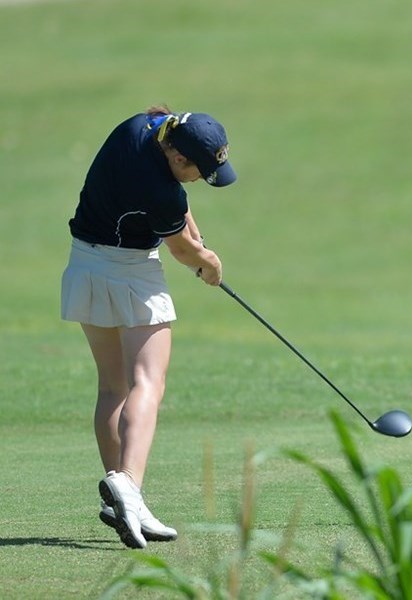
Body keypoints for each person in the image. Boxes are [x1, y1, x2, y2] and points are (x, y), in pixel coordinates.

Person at [60, 105, 236, 549]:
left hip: (84, 263)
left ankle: (122, 498)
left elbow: (180, 212)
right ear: (178, 160)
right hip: (131, 272)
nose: (199, 178)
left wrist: (196, 237)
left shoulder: (145, 127)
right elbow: (181, 252)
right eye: (198, 170)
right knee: (148, 383)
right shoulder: (162, 191)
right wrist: (209, 263)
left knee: (111, 388)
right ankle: (129, 486)